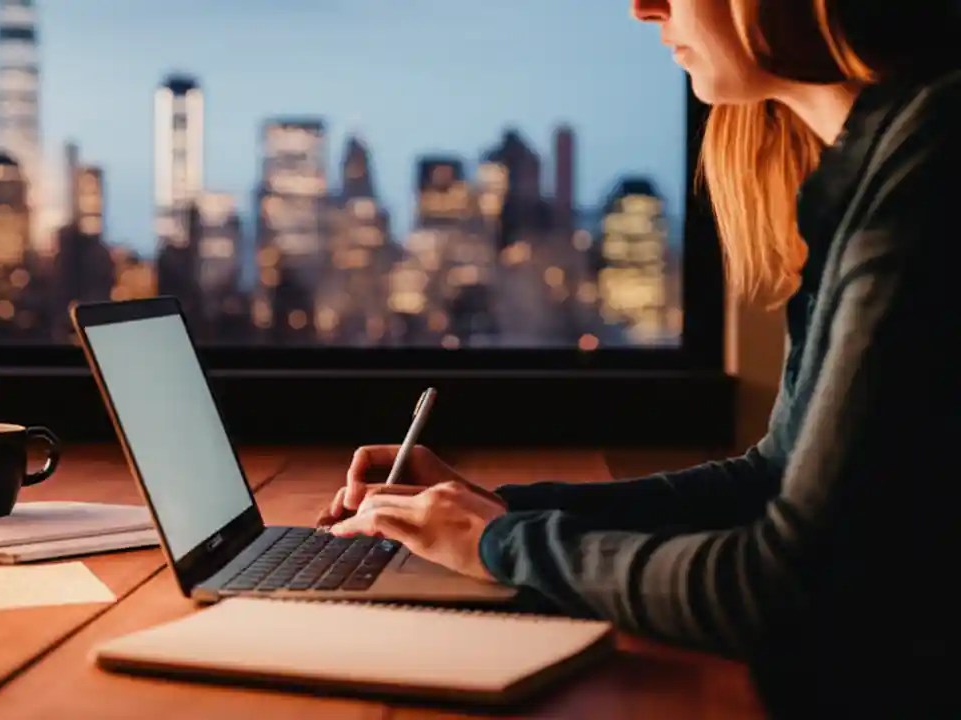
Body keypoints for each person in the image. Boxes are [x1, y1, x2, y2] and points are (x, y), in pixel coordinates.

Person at [316, 1, 960, 717]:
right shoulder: (880, 165)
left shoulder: (931, 174)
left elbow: (786, 586)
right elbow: (772, 476)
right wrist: (493, 513)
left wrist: (502, 543)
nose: (643, 5)